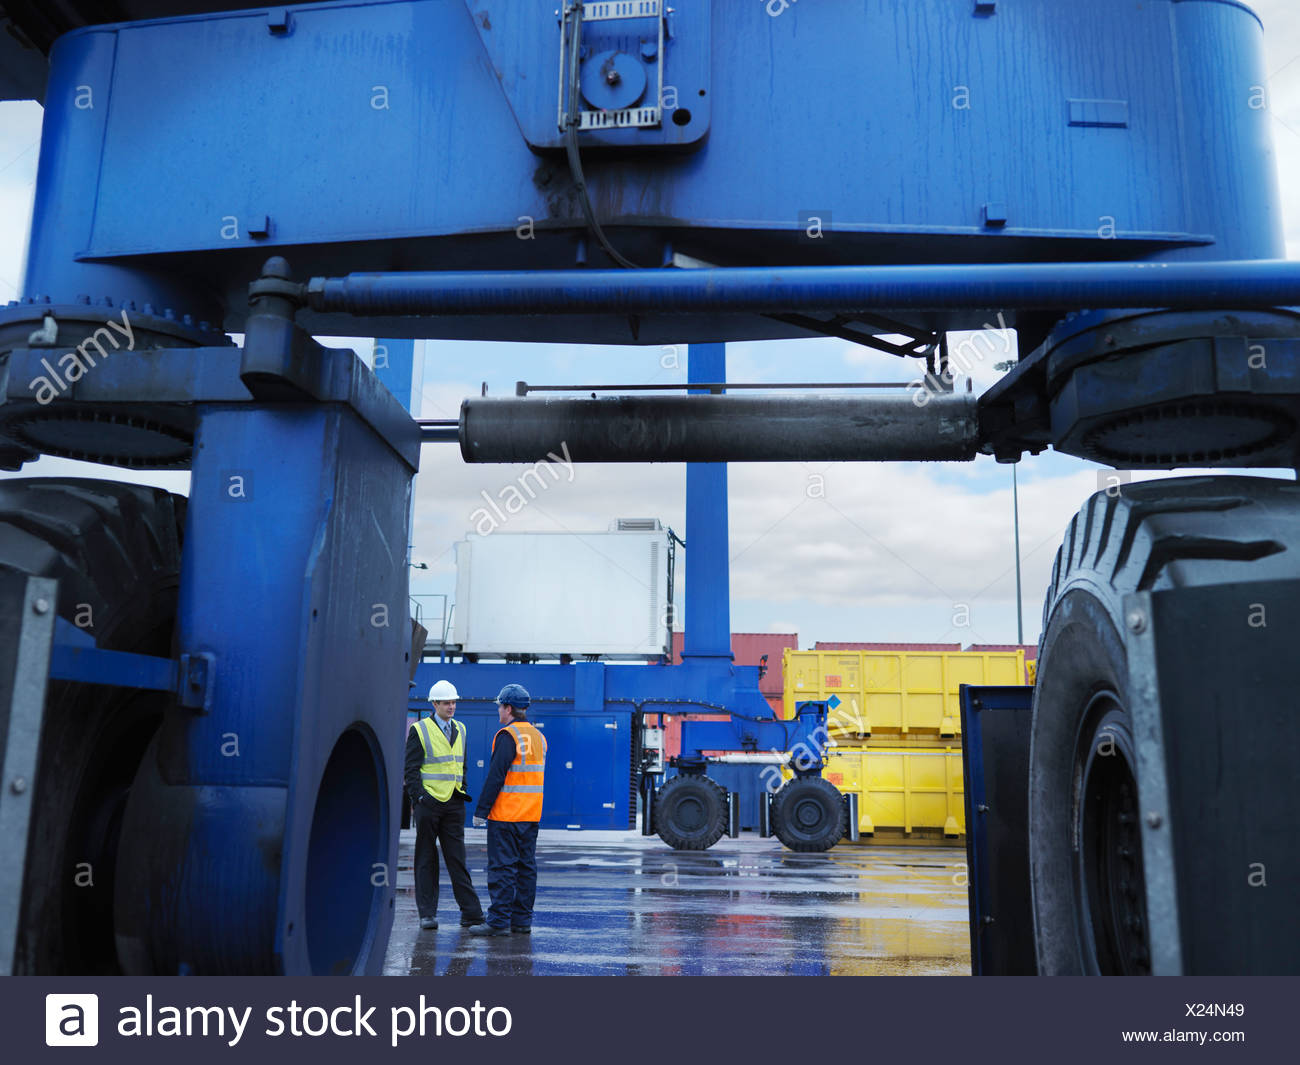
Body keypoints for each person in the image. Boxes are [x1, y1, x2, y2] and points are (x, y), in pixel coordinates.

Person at [404, 679, 485, 931]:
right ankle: (427, 914)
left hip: (454, 802)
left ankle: (471, 914)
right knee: (426, 858)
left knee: (457, 859)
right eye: (447, 703)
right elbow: (411, 770)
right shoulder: (420, 730)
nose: (451, 706)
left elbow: (462, 765)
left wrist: (462, 790)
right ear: (435, 704)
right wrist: (420, 799)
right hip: (429, 805)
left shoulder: (461, 728)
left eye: (453, 702)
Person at [468, 683, 547, 937]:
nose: (499, 711)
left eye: (500, 706)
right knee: (526, 869)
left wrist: (481, 811)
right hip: (530, 816)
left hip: (505, 816)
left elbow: (496, 777)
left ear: (509, 708)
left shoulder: (507, 736)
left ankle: (499, 922)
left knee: (502, 869)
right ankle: (522, 921)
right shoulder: (538, 737)